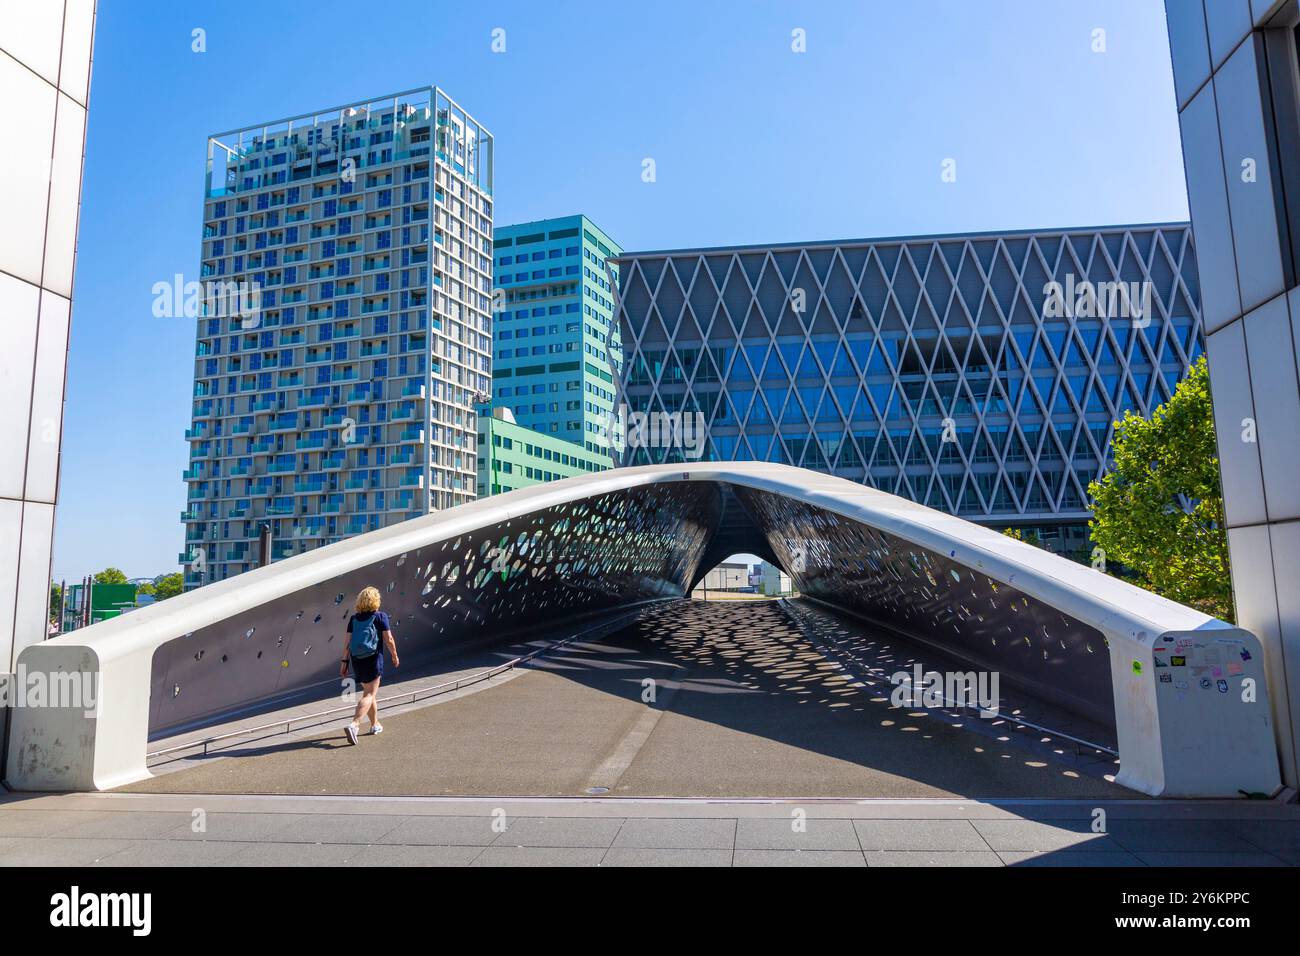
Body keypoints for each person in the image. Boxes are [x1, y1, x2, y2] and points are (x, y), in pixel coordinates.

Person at [339, 586, 400, 745]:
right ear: (376, 600)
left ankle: (374, 724)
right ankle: (354, 724)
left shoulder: (353, 619)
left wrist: (344, 662)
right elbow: (389, 639)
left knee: (369, 691)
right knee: (369, 694)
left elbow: (347, 643)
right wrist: (394, 655)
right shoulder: (380, 616)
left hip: (357, 659)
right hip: (373, 658)